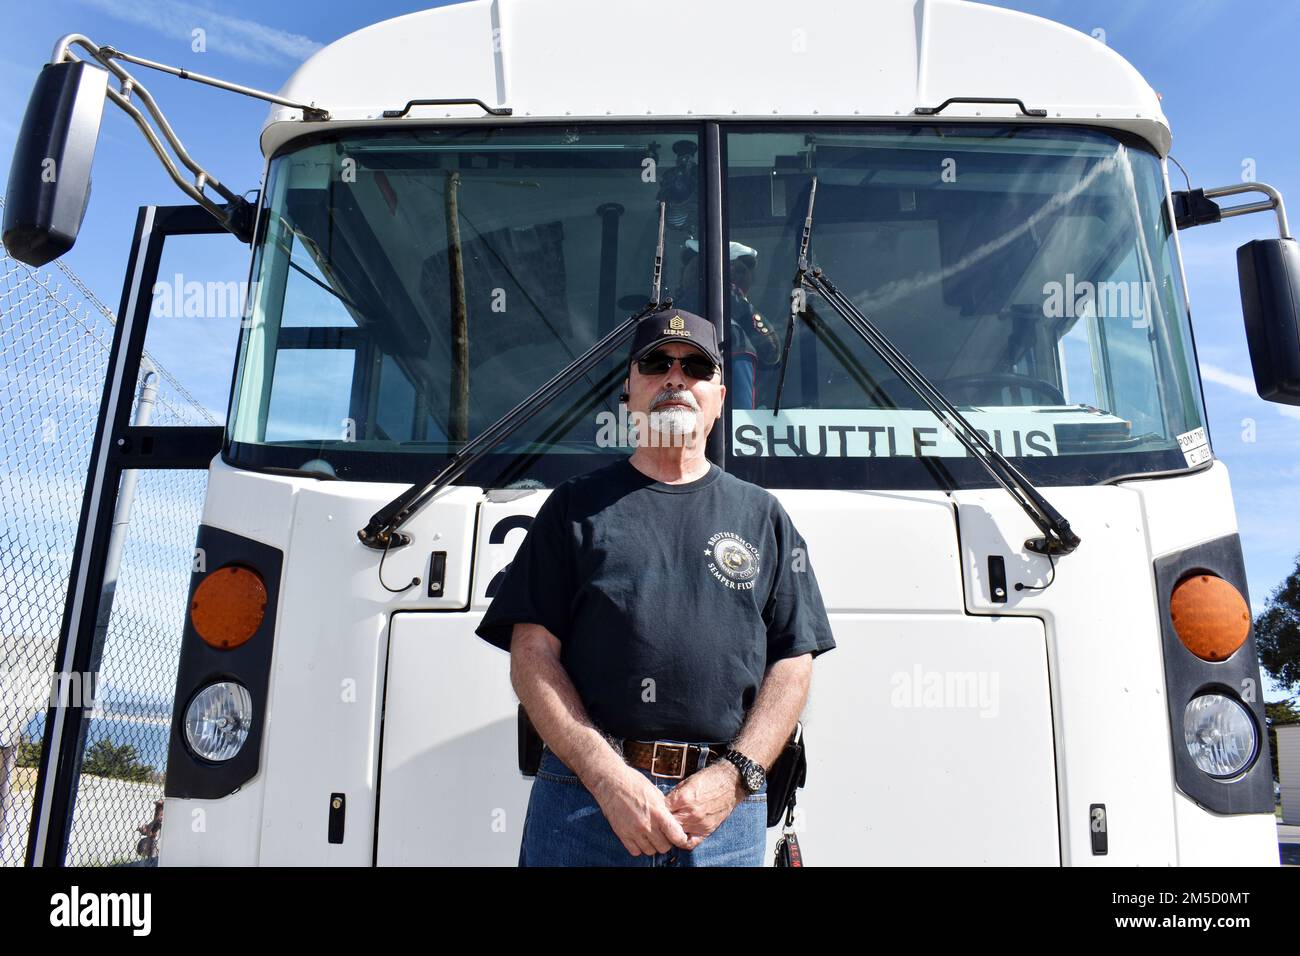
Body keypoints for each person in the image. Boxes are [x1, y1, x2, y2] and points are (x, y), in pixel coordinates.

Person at [475, 307, 836, 867]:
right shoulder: (572, 508)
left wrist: (735, 777)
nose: (675, 378)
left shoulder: (764, 517)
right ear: (629, 391)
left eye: (695, 367)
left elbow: (794, 662)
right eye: (656, 363)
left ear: (718, 397)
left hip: (724, 816)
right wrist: (607, 778)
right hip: (585, 804)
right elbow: (531, 656)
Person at [675, 239, 781, 409]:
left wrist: (741, 306)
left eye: (739, 273)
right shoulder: (678, 314)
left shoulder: (737, 333)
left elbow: (771, 352)